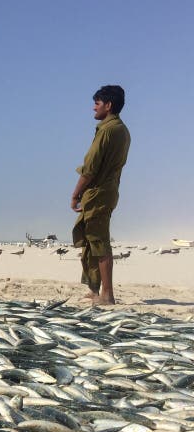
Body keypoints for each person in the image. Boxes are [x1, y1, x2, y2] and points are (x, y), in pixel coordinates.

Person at [71, 85, 131, 305]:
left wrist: (75, 194)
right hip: (108, 190)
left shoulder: (107, 130)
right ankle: (96, 290)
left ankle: (107, 295)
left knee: (99, 241)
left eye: (97, 103)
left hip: (98, 192)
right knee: (91, 240)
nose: (93, 108)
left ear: (109, 105)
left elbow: (90, 168)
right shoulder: (122, 130)